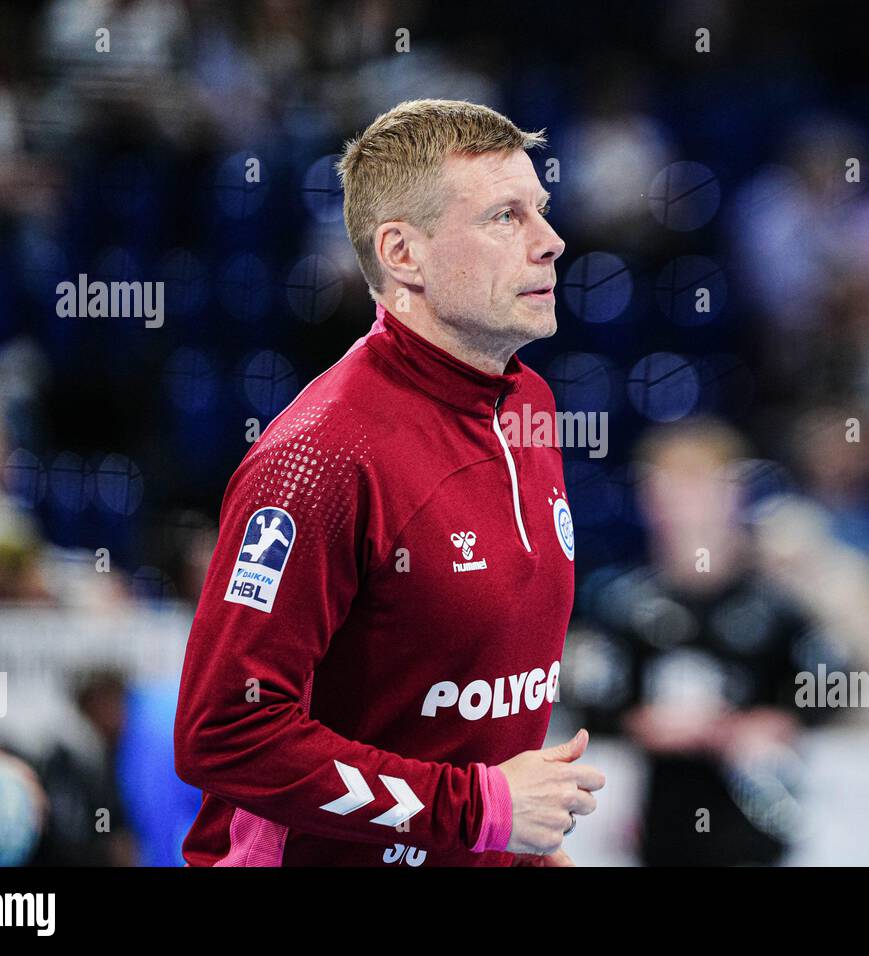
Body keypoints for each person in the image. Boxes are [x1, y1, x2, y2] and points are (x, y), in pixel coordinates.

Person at [174, 99, 603, 867]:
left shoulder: (529, 403)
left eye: (540, 210)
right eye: (506, 218)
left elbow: (462, 704)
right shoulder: (317, 461)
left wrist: (510, 847)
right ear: (403, 255)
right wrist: (477, 811)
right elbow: (224, 734)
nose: (550, 241)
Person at [562, 418, 847, 865]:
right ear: (649, 500)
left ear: (735, 493)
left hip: (759, 835)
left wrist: (775, 721)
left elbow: (831, 686)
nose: (690, 505)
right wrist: (646, 724)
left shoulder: (776, 606)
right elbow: (588, 701)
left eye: (703, 485)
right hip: (658, 834)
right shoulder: (623, 606)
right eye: (674, 487)